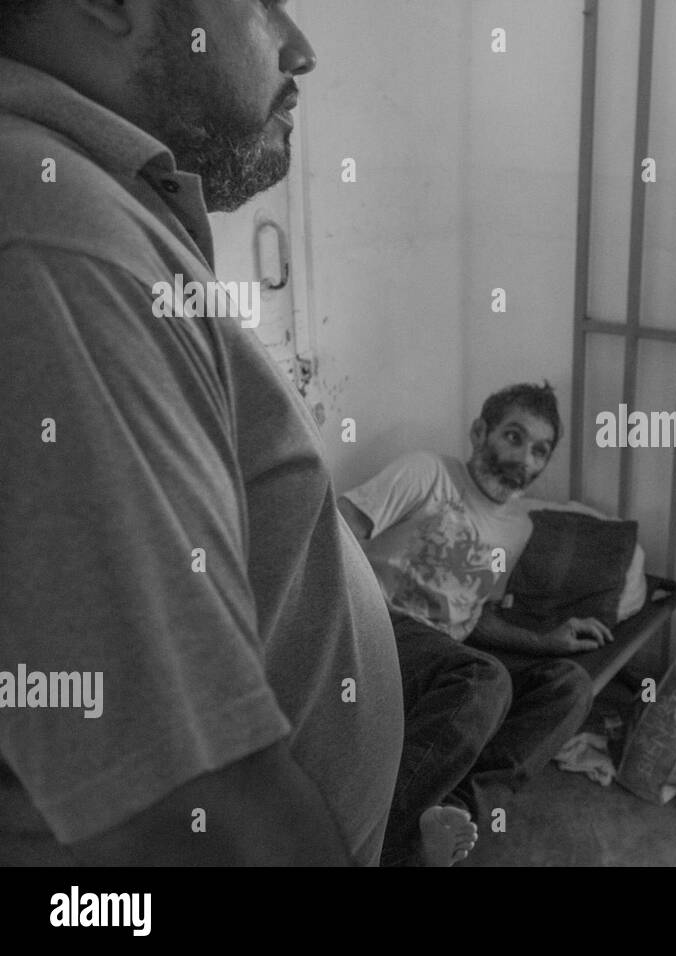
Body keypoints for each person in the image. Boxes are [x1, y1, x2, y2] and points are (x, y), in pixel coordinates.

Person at [0, 0, 402, 864]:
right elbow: (181, 815)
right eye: (264, 4)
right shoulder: (57, 240)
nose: (302, 48)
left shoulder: (86, 208)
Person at [339, 383, 607, 866]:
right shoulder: (427, 472)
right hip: (380, 632)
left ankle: (454, 805)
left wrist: (544, 641)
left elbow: (472, 614)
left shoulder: (518, 527)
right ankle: (385, 847)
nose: (524, 460)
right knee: (485, 678)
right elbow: (336, 531)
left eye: (540, 450)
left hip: (447, 658)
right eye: (513, 437)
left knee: (570, 685)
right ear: (479, 431)